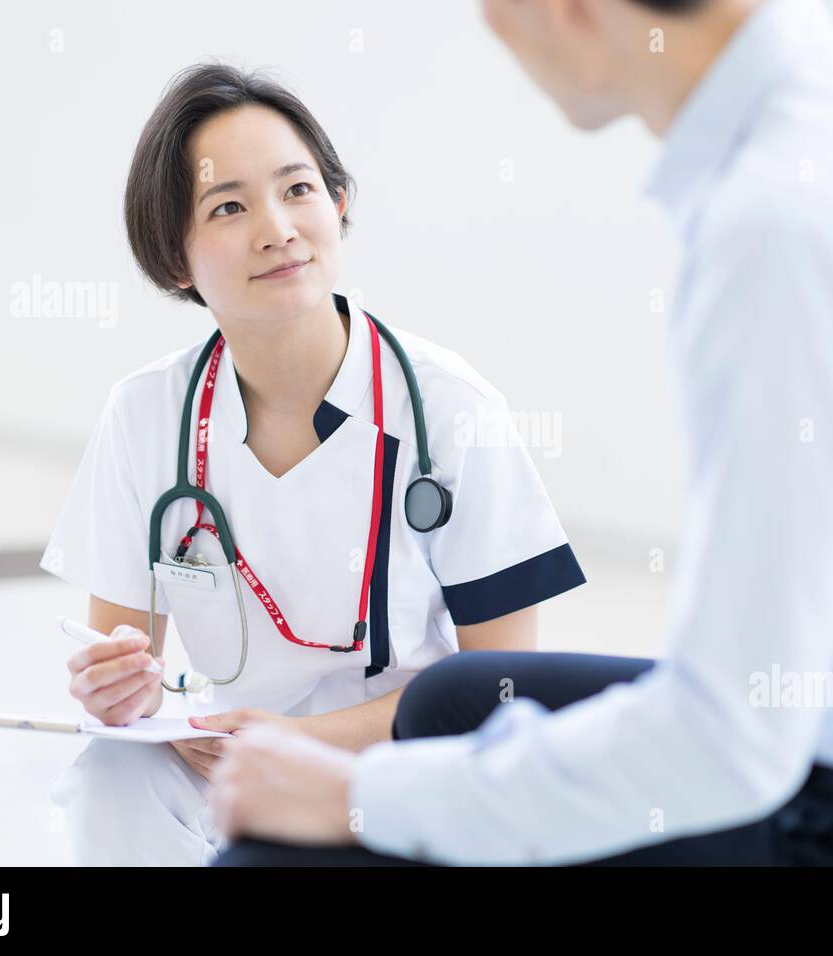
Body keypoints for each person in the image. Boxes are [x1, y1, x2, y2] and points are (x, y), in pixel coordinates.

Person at [210, 0, 833, 866]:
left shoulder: (776, 227)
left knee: (282, 851)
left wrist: (370, 798)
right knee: (454, 698)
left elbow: (727, 741)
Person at [40, 62, 586, 866]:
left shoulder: (451, 410)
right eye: (229, 206)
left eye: (298, 190)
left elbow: (502, 685)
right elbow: (129, 667)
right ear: (174, 260)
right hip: (231, 756)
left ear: (338, 204)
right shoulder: (145, 416)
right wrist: (121, 693)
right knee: (108, 777)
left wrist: (300, 743)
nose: (277, 228)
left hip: (404, 764)